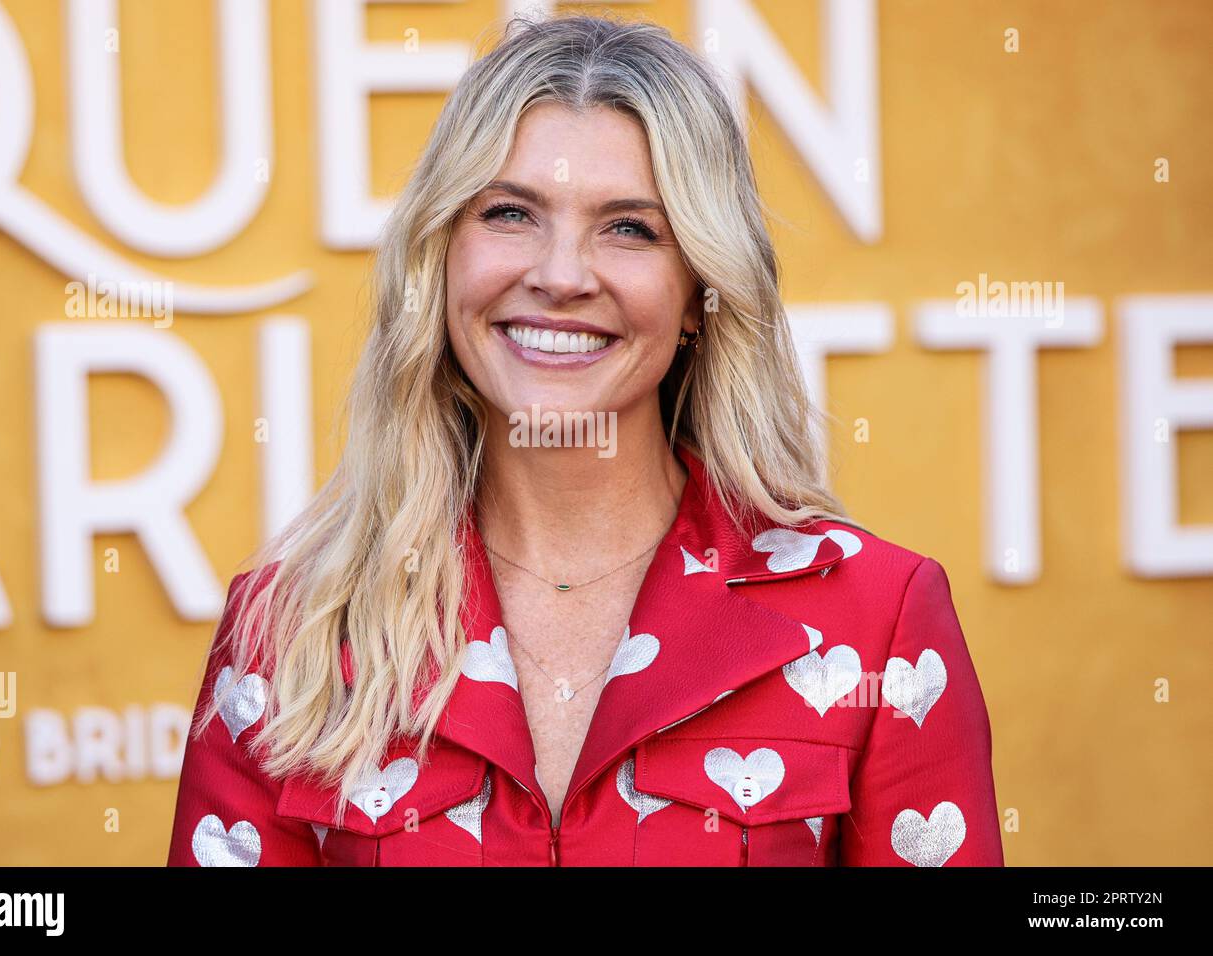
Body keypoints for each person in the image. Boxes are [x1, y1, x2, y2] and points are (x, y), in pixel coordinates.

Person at [167, 12, 1002, 867]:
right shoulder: (290, 630)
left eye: (630, 227)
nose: (561, 274)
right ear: (439, 257)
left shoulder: (875, 617)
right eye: (510, 213)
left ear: (697, 295)